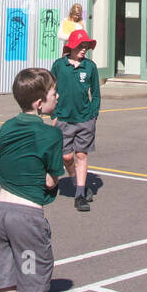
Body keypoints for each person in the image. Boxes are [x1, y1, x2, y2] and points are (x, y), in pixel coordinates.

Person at [0, 67, 64, 292]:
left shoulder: (7, 127)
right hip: (27, 217)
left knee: (5, 287)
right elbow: (51, 180)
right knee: (35, 291)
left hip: (0, 213)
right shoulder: (50, 134)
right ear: (39, 103)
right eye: (54, 93)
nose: (58, 96)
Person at [51, 28, 102, 212]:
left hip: (84, 119)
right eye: (81, 45)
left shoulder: (90, 67)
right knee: (66, 156)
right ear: (71, 47)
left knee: (81, 155)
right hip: (63, 118)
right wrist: (54, 115)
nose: (84, 49)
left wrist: (93, 114)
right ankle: (76, 182)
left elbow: (95, 94)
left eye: (86, 46)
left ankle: (79, 195)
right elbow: (51, 91)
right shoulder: (59, 66)